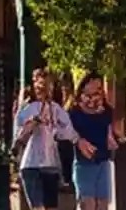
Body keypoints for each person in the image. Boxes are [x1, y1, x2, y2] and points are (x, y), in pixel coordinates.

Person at [14, 69, 88, 210]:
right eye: (40, 85)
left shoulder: (55, 109)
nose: (45, 89)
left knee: (51, 206)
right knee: (38, 206)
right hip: (31, 164)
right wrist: (31, 124)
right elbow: (19, 132)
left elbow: (67, 131)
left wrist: (76, 140)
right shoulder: (27, 108)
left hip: (50, 164)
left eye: (48, 85)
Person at [67, 73, 120, 210]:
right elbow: (67, 133)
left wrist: (113, 141)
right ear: (85, 86)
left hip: (103, 161)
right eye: (94, 85)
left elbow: (109, 132)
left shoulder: (106, 109)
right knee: (87, 204)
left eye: (99, 87)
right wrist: (79, 141)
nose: (98, 90)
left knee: (103, 204)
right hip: (84, 163)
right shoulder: (74, 111)